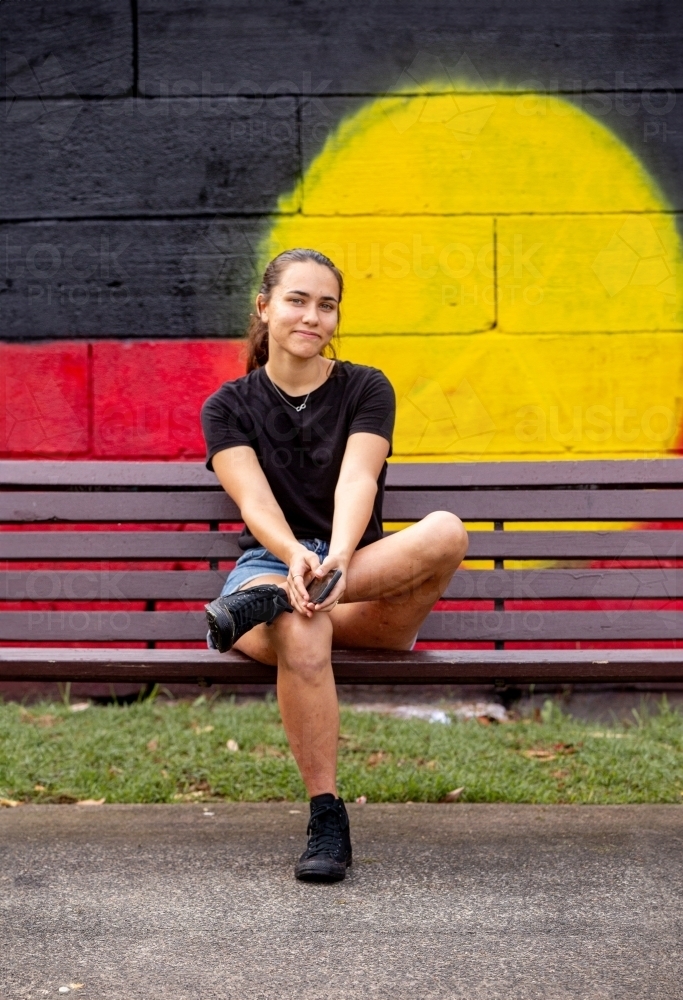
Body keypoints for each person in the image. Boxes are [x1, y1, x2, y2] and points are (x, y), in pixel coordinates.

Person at [200, 248, 469, 883]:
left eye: (327, 305)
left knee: (447, 533)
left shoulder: (365, 386)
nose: (312, 316)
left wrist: (337, 558)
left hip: (363, 582)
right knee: (302, 624)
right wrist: (295, 555)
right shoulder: (228, 406)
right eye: (297, 300)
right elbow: (254, 500)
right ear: (264, 309)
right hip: (275, 562)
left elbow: (359, 478)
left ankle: (274, 599)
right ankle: (327, 817)